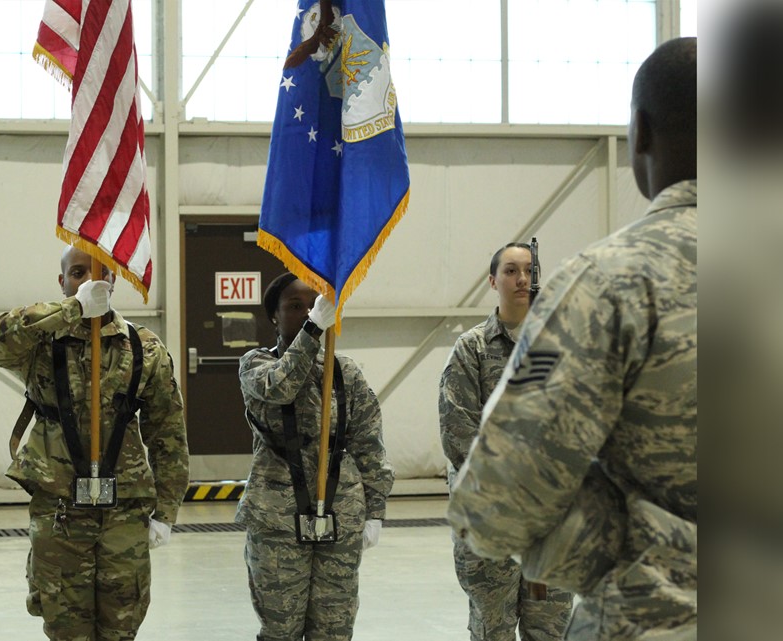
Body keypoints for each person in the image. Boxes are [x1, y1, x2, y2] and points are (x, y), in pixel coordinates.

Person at [447, 37, 697, 641]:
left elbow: (496, 500)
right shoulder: (472, 351)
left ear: (639, 133)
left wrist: (617, 554)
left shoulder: (610, 283)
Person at [0, 245, 189, 641]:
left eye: (101, 274)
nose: (90, 280)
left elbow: (168, 434)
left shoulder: (144, 349)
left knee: (121, 625)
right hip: (60, 507)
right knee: (66, 628)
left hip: (124, 512)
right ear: (62, 282)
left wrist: (166, 510)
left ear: (114, 281)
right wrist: (72, 310)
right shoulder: (42, 343)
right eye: (78, 273)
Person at [236, 272, 394, 641]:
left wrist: (376, 510)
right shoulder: (256, 364)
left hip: (340, 514)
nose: (307, 312)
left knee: (334, 628)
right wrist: (312, 330)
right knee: (280, 628)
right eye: (295, 307)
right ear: (273, 316)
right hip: (277, 518)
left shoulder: (345, 372)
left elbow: (368, 442)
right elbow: (280, 387)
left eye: (314, 306)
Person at [439, 243, 573, 640]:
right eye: (511, 271)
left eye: (528, 271)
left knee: (550, 630)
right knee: (492, 629)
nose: (522, 279)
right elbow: (457, 433)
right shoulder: (473, 349)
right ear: (493, 281)